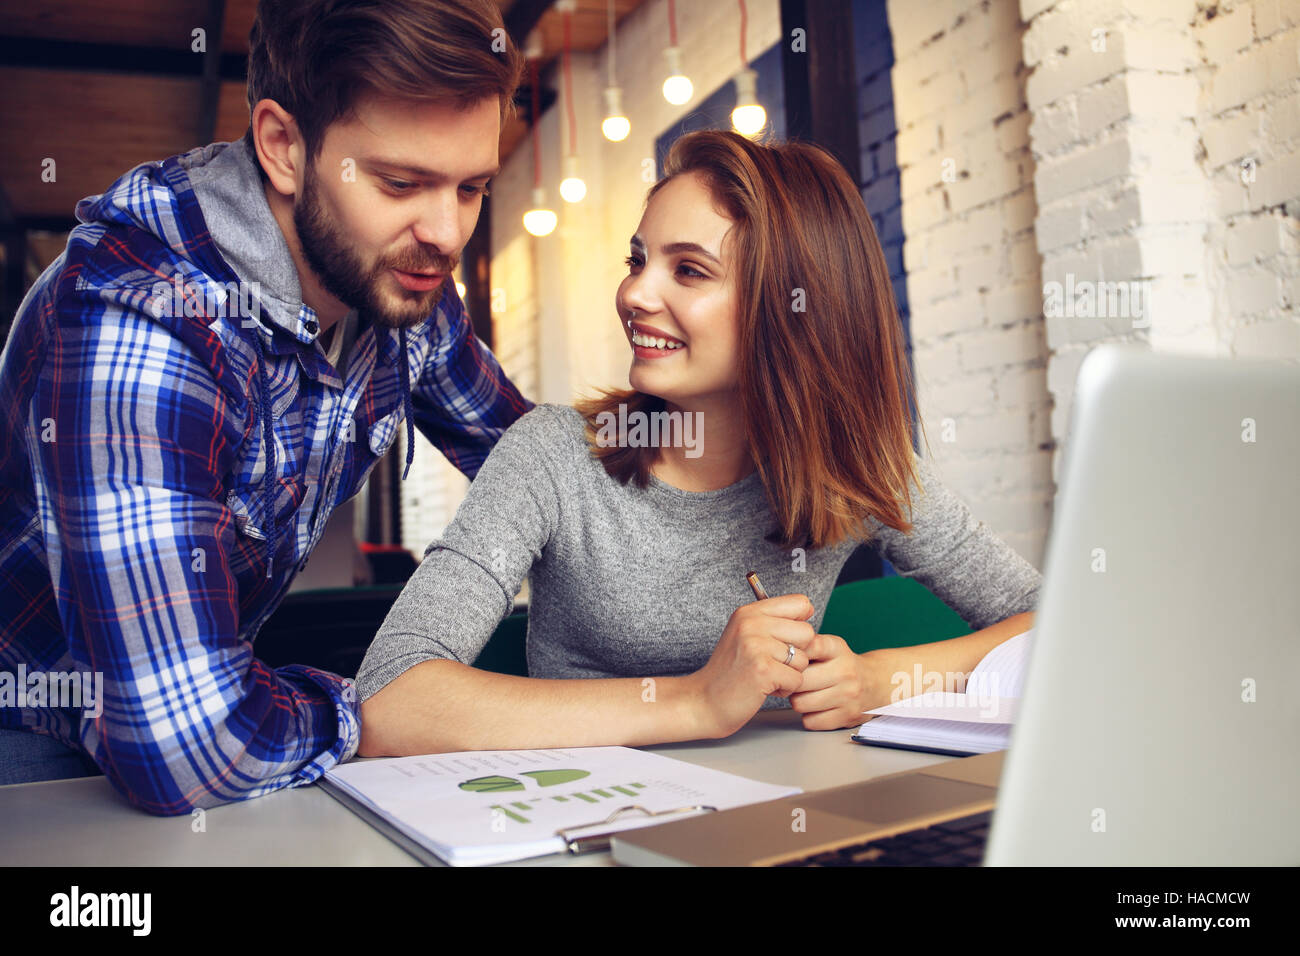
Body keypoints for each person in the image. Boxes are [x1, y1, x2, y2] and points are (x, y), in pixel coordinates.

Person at [0, 0, 531, 810]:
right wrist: (384, 717)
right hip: (36, 743)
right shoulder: (138, 323)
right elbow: (184, 750)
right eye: (400, 183)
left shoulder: (395, 272)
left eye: (472, 187)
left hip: (205, 713)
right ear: (284, 146)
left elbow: (537, 467)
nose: (447, 231)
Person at [356, 129, 1040, 755]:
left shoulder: (852, 469)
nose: (633, 294)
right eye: (638, 260)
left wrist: (885, 678)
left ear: (789, 310)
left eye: (688, 271)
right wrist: (694, 701)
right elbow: (390, 700)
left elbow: (1063, 619)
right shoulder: (553, 455)